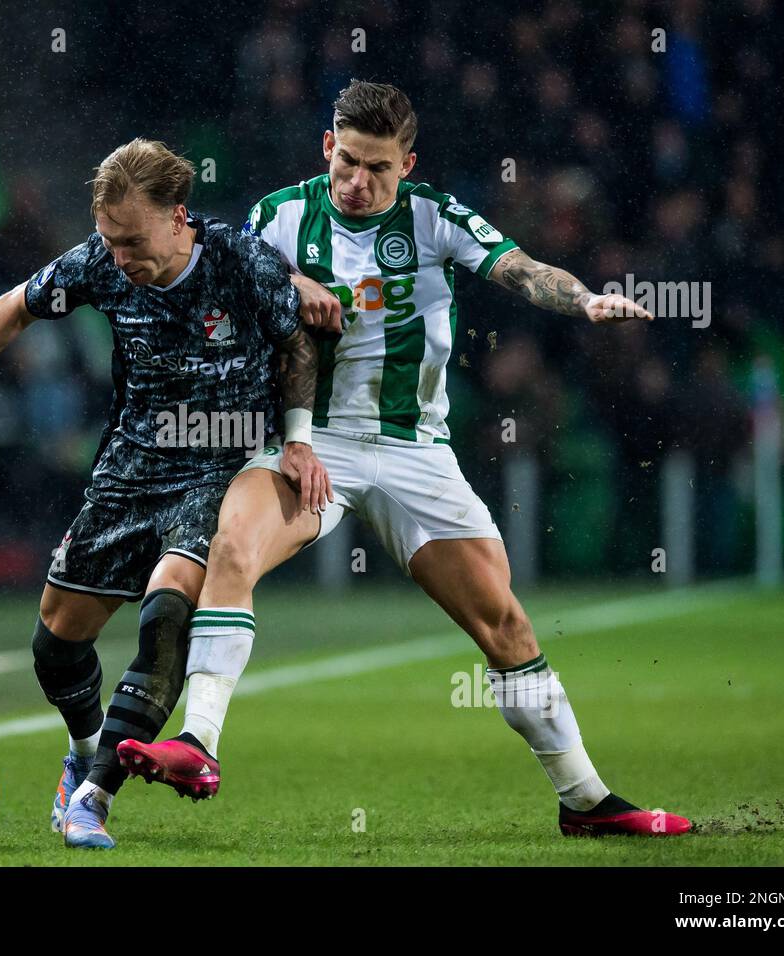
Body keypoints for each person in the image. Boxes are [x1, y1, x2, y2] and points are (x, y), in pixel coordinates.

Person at [118, 82, 692, 837]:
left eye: (377, 170)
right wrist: (289, 285)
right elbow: (237, 285)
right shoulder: (280, 216)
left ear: (407, 165)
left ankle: (584, 799)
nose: (358, 183)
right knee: (234, 543)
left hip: (414, 450)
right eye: (347, 162)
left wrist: (583, 301)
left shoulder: (436, 217)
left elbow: (520, 269)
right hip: (309, 439)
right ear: (328, 146)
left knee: (505, 626)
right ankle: (199, 742)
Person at [0, 138, 328, 848]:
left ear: (179, 215)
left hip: (218, 466)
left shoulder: (237, 259)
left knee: (166, 611)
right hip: (130, 467)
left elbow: (297, 342)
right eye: (109, 240)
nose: (119, 256)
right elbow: (17, 306)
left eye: (132, 240)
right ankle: (88, 749)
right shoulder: (101, 262)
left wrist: (299, 437)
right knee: (55, 644)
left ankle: (94, 796)